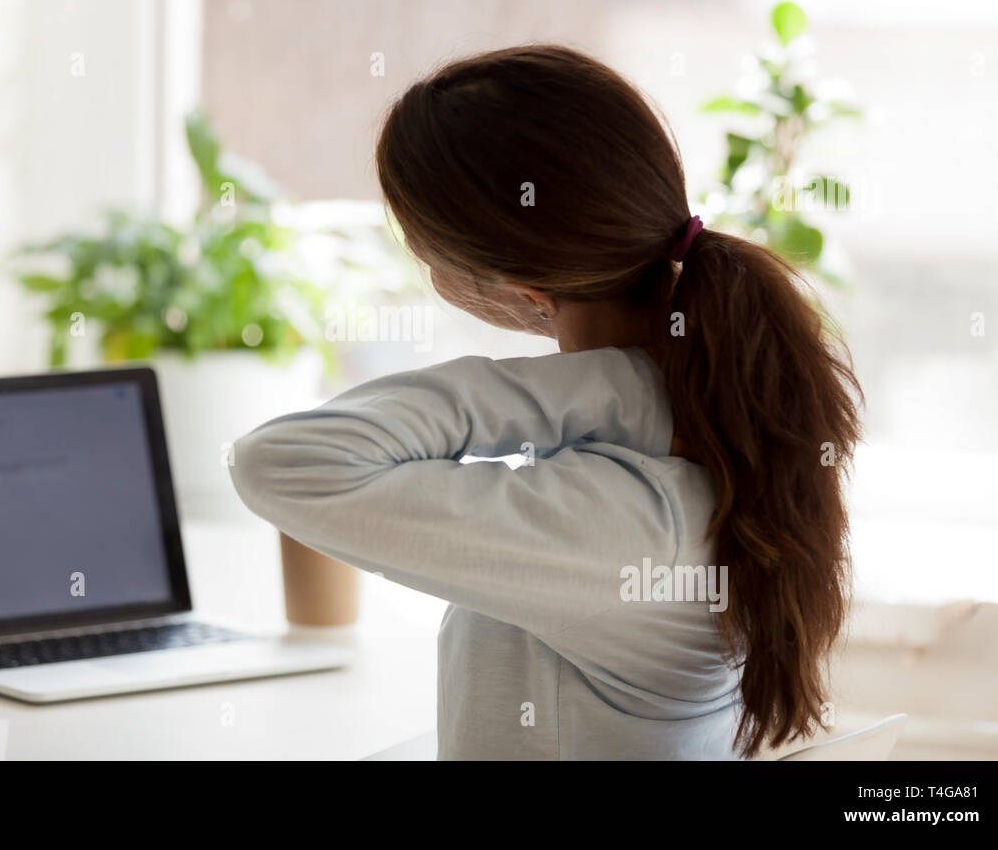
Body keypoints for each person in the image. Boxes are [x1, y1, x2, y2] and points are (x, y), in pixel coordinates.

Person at [229, 45, 862, 760]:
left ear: (527, 292)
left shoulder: (627, 518)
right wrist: (635, 379)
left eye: (423, 250)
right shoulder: (697, 450)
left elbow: (278, 461)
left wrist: (614, 378)